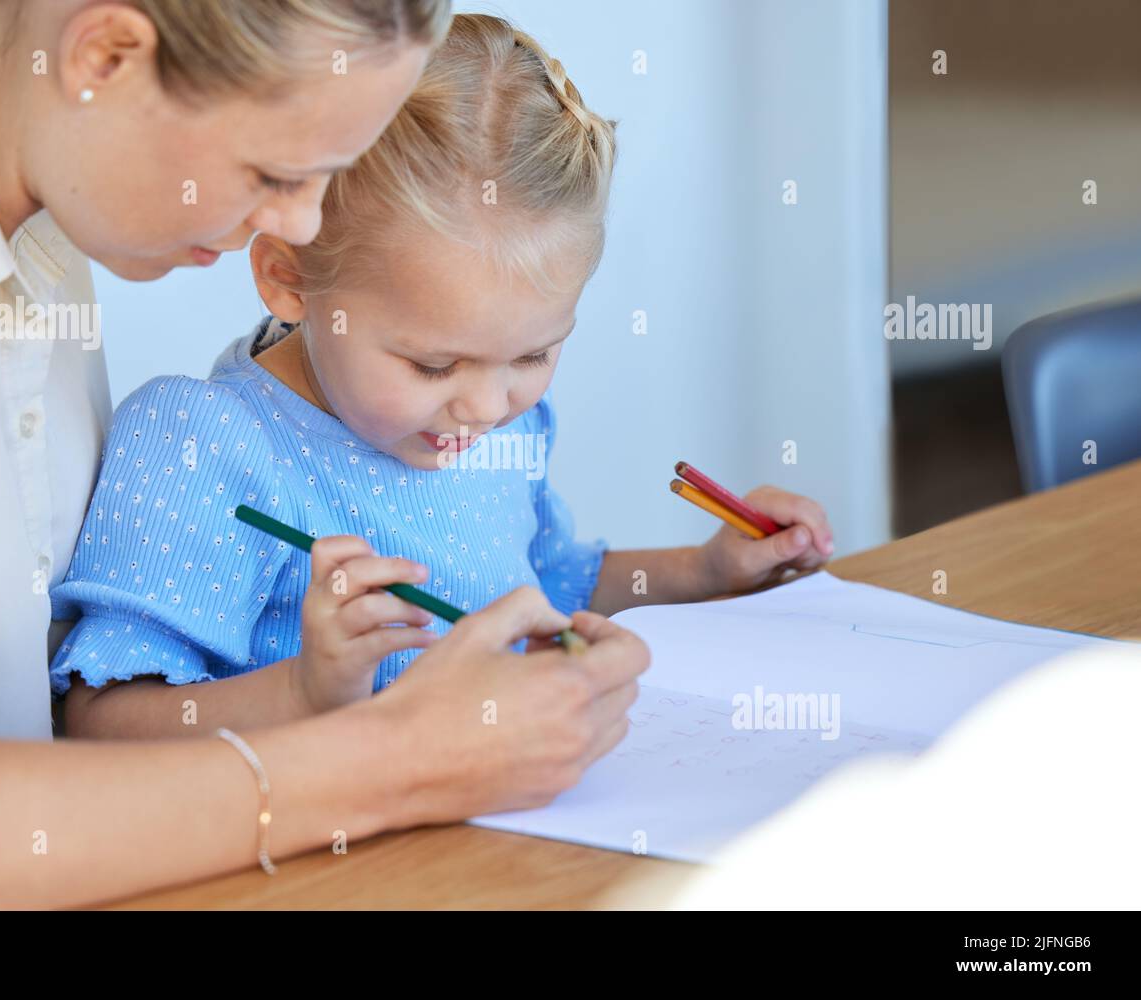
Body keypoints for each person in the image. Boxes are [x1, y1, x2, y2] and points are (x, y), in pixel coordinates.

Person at [0, 0, 647, 908]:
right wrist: (403, 759)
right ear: (104, 55)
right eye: (275, 170)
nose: (301, 230)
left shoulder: (45, 232)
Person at [48, 13, 835, 739]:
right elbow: (98, 722)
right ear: (289, 277)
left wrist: (706, 569)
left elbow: (552, 582)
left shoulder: (501, 425)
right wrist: (307, 693)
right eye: (433, 364)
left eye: (533, 355)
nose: (488, 406)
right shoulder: (202, 446)